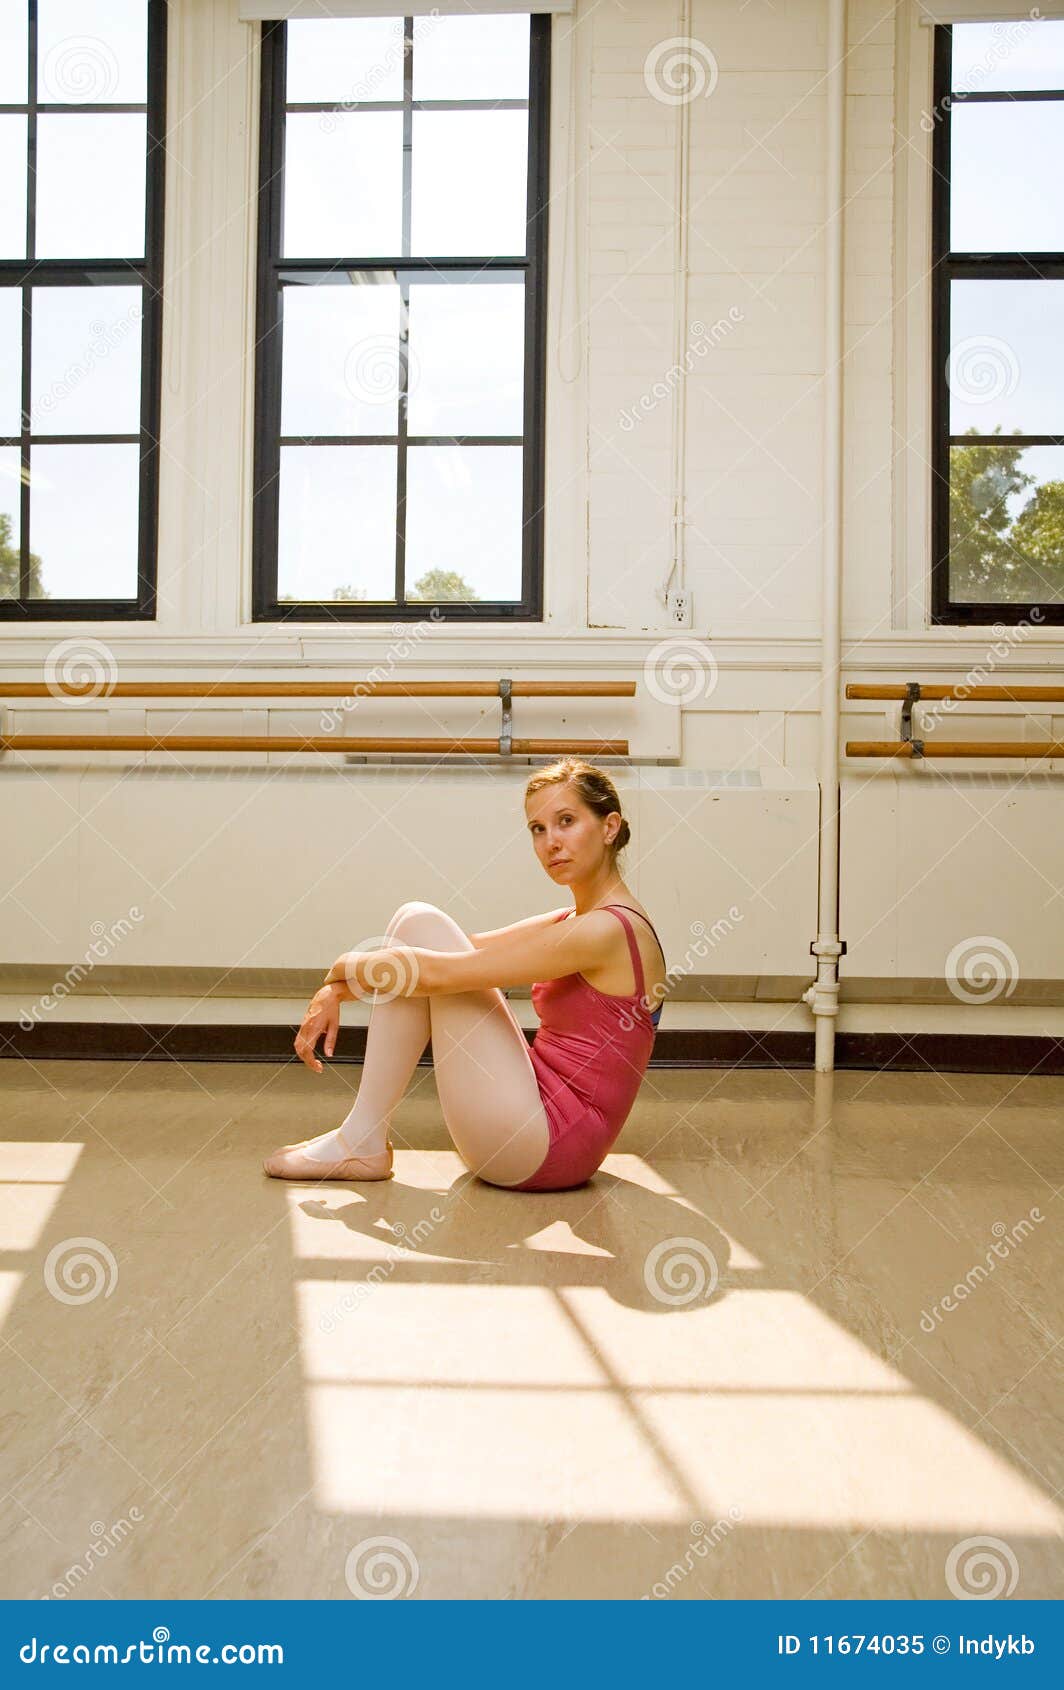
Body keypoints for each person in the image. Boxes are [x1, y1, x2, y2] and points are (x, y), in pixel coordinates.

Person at [262, 756, 667, 1191]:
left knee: (420, 926)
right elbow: (453, 946)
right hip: (528, 1121)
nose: (551, 842)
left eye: (566, 821)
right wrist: (343, 989)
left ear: (609, 827)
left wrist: (339, 971)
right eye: (538, 828)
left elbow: (441, 971)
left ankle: (360, 1140)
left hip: (546, 1147)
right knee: (416, 922)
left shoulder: (606, 930)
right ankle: (361, 1138)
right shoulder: (576, 919)